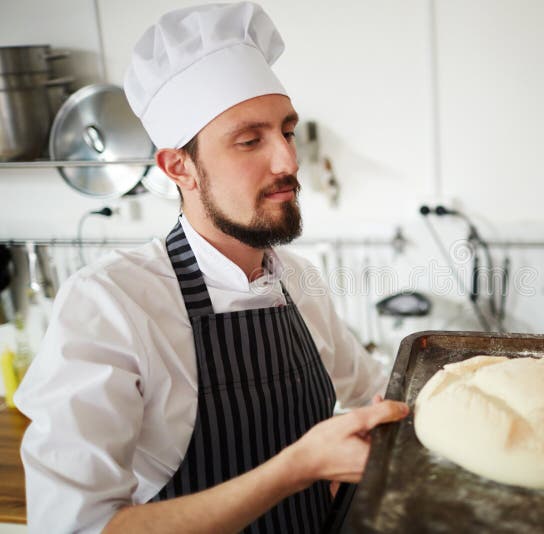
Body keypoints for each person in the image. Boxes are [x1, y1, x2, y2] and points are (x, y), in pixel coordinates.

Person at [14, 3, 409, 533]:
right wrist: (299, 468)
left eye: (287, 132)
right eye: (250, 141)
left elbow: (377, 395)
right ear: (179, 167)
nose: (288, 162)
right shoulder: (111, 305)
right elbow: (77, 527)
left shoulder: (298, 280)